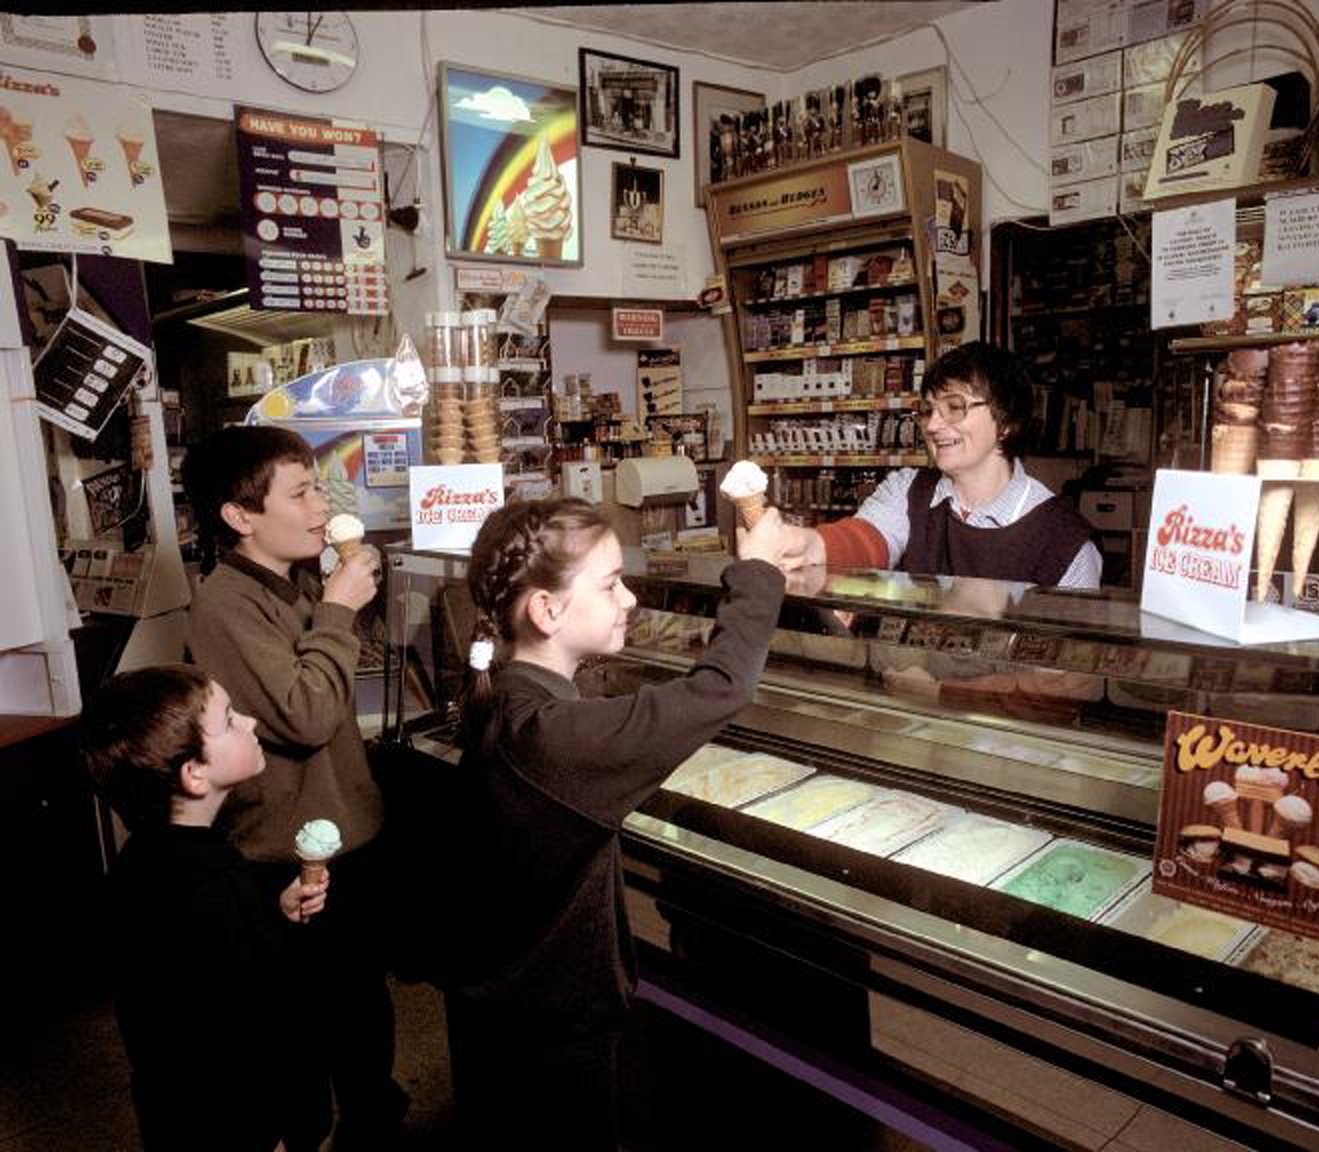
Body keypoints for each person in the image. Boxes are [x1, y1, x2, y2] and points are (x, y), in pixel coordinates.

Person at [446, 496, 787, 1150]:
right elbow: (721, 688)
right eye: (608, 585)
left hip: (506, 1010)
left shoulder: (509, 698)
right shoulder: (552, 736)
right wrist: (759, 570)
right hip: (551, 1027)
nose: (628, 599)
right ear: (546, 611)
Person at [181, 426, 406, 1151]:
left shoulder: (300, 580)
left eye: (318, 486)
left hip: (347, 835)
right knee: (301, 1033)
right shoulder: (224, 607)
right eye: (301, 491)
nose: (322, 504)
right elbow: (306, 714)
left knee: (362, 1015)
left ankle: (375, 1119)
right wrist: (340, 609)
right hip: (284, 858)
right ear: (239, 516)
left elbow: (338, 676)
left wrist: (345, 597)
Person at [77, 664, 329, 1152]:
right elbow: (220, 1046)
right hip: (237, 1126)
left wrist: (271, 913)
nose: (251, 723)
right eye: (231, 719)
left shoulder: (159, 859)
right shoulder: (200, 894)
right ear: (194, 775)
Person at [778, 342, 1102, 588]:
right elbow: (868, 539)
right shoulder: (908, 490)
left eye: (954, 407)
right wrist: (808, 546)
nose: (933, 425)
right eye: (928, 410)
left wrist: (938, 682)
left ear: (1007, 421)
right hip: (902, 674)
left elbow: (1064, 674)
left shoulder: (1066, 543)